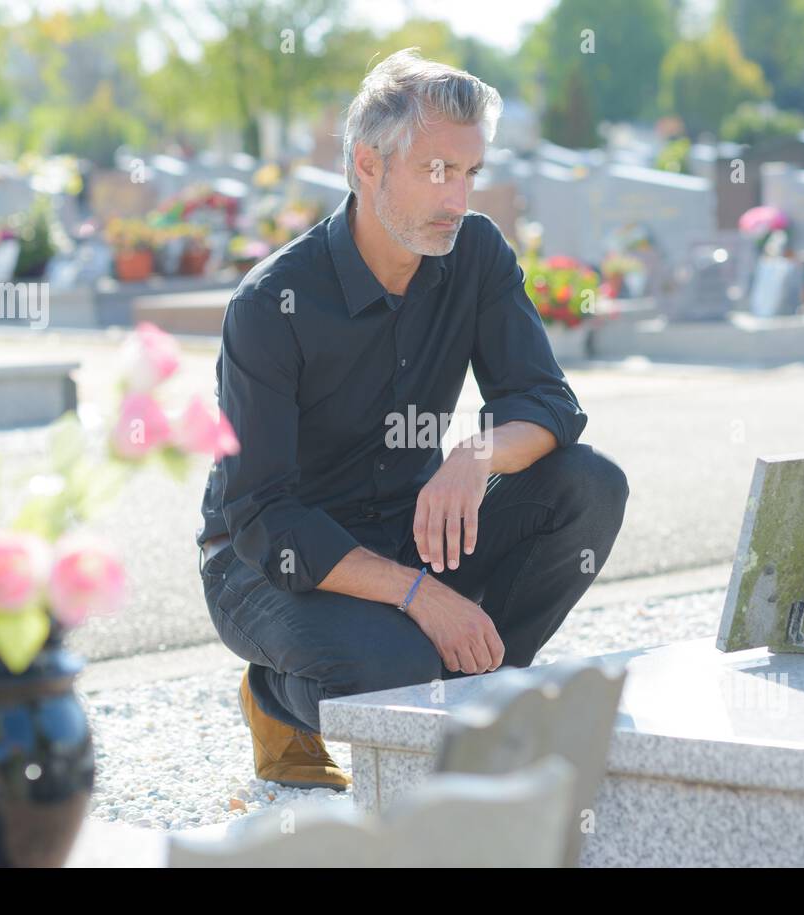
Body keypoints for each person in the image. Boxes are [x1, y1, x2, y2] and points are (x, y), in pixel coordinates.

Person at [196, 49, 629, 791]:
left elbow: (547, 402)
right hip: (272, 562)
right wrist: (419, 595)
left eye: (469, 173)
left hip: (409, 528)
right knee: (398, 665)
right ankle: (274, 697)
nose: (457, 198)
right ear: (369, 165)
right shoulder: (271, 305)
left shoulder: (475, 252)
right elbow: (264, 516)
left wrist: (475, 457)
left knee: (588, 485)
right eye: (437, 171)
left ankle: (478, 689)